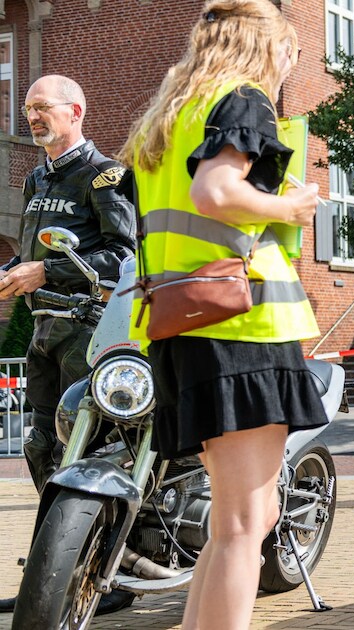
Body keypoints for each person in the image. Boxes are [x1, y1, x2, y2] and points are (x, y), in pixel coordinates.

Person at [118, 2, 324, 627]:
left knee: (244, 519)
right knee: (242, 525)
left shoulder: (168, 119)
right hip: (242, 327)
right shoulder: (242, 100)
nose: (289, 64)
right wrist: (287, 208)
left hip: (181, 326)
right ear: (259, 46)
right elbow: (215, 192)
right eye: (287, 51)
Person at [0, 75, 138, 615]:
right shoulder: (36, 179)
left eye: (43, 107)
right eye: (28, 109)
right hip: (42, 331)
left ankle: (115, 574)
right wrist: (14, 272)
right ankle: (52, 575)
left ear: (75, 110)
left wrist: (45, 269)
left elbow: (124, 256)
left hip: (88, 328)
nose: (33, 117)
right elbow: (32, 261)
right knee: (41, 447)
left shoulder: (105, 176)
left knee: (91, 450)